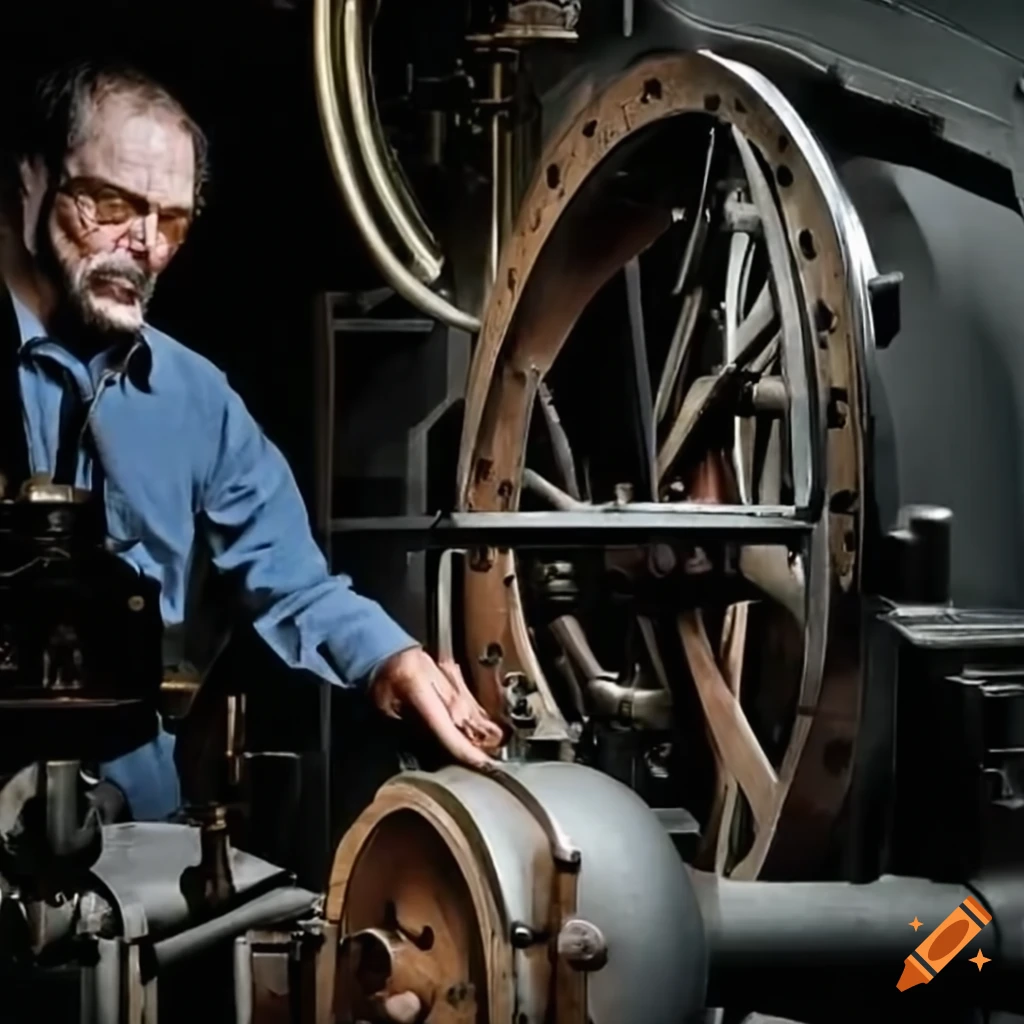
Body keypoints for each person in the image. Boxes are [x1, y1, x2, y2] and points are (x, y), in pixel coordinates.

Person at [0, 59, 501, 821]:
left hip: (130, 823)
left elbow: (294, 584)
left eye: (173, 221)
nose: (146, 246)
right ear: (30, 180)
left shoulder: (196, 399)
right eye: (112, 204)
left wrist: (392, 661)